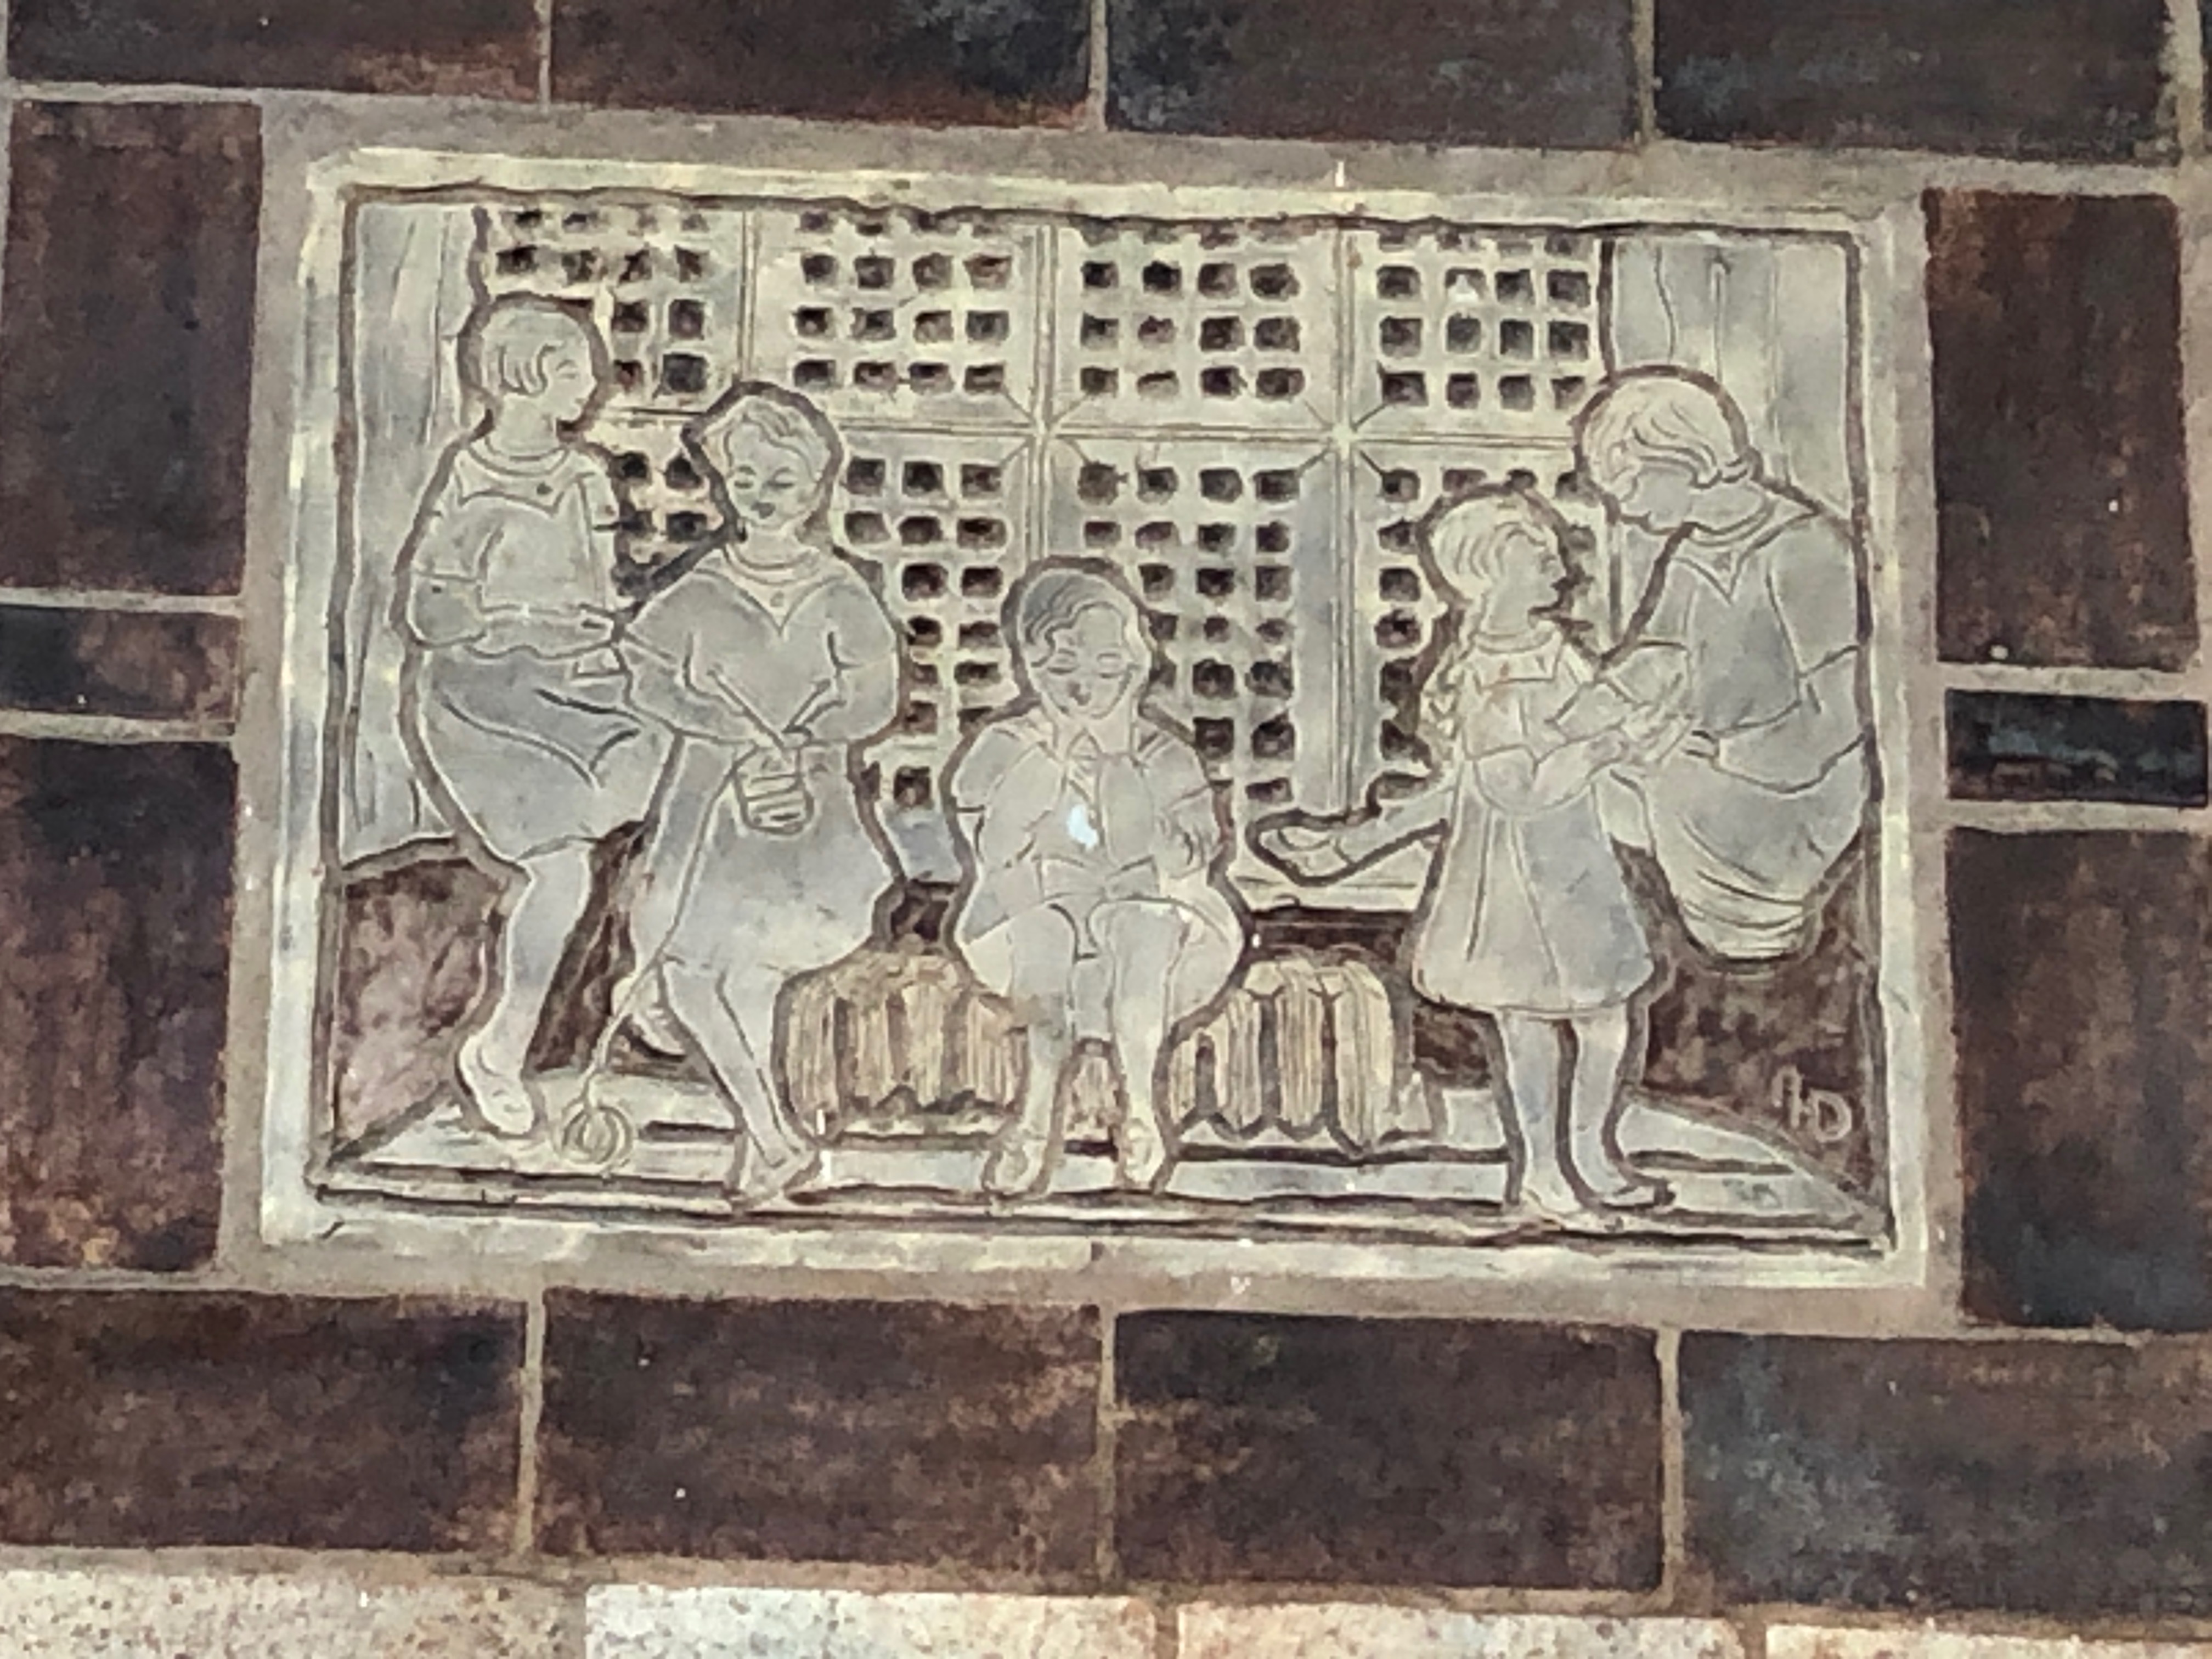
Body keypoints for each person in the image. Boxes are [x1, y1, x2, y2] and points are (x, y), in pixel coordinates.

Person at [1256, 488, 1678, 1216]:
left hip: (1575, 863)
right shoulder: (1480, 672)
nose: (1562, 569)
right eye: (1541, 558)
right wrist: (1608, 742)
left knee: (1607, 1016)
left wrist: (1634, 732)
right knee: (1528, 1023)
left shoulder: (1555, 648)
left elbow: (1580, 728)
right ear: (1493, 572)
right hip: (1511, 871)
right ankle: (1541, 1168)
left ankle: (1592, 1152)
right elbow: (1515, 786)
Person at [613, 383, 900, 1206]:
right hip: (708, 808)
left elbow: (875, 694)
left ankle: (769, 1137)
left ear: (815, 488)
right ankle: (771, 1137)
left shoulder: (837, 591)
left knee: (734, 977)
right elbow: (645, 676)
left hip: (806, 820)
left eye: (782, 480)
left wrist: (804, 739)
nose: (762, 496)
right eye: (745, 479)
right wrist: (717, 721)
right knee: (697, 971)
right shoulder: (702, 588)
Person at [394, 296, 664, 1136]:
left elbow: (601, 599)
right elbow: (431, 616)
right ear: (524, 378)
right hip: (486, 704)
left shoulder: (586, 477)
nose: (593, 384)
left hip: (579, 688)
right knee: (561, 870)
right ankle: (500, 1050)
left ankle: (654, 978)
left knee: (696, 783)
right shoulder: (470, 480)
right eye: (575, 369)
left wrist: (609, 640)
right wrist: (515, 625)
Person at [947, 562, 1244, 1199]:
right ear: (1031, 666)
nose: (1084, 688)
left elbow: (1185, 856)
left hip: (1148, 922)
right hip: (1030, 911)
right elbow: (993, 851)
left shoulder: (1163, 755)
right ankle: (1035, 1116)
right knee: (1044, 936)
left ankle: (1140, 1107)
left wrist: (1126, 780)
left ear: (1134, 666)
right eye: (1062, 668)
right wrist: (1043, 771)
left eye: (1106, 668)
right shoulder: (1005, 746)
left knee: (1139, 923)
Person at [1575, 366, 1869, 962]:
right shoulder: (1694, 551)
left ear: (1682, 459)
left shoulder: (1805, 550)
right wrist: (1584, 710)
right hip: (1716, 767)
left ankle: (1751, 933)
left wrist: (1722, 753)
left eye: (1628, 483)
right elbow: (1656, 657)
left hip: (1798, 793)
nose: (1622, 507)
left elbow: (1841, 718)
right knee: (1575, 778)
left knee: (1667, 779)